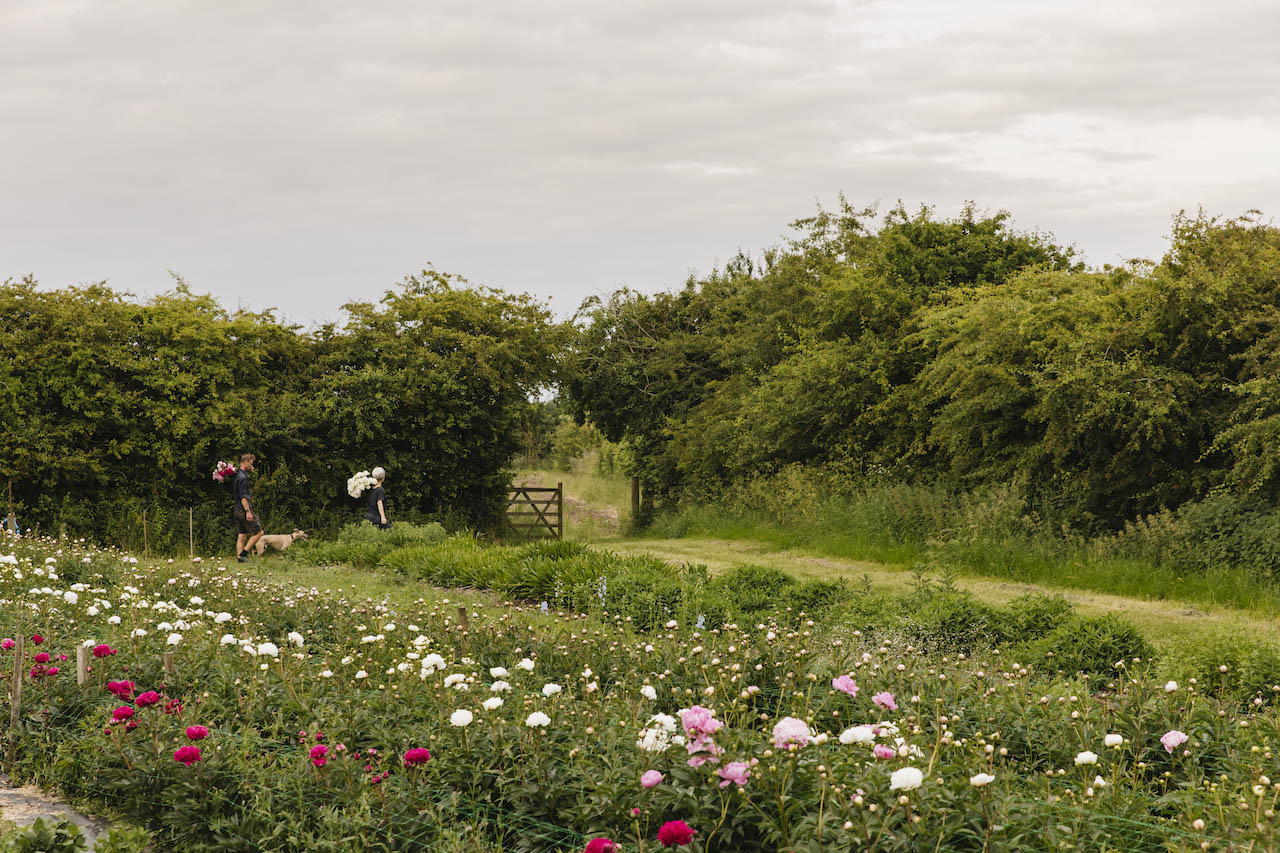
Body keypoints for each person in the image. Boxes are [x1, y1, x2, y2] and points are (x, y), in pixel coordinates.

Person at [233, 453, 264, 561]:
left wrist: (250, 470)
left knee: (242, 535)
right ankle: (244, 554)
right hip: (243, 509)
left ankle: (239, 558)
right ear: (245, 462)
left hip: (237, 509)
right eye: (251, 463)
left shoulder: (237, 474)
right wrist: (248, 511)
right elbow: (243, 496)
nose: (252, 465)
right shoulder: (243, 478)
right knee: (259, 532)